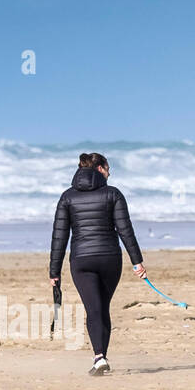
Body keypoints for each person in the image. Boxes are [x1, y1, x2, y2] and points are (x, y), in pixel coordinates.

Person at [49, 152, 145, 375]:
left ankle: (99, 357)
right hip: (110, 259)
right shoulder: (113, 194)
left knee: (94, 309)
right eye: (108, 168)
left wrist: (54, 271)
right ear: (100, 168)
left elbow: (59, 236)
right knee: (102, 308)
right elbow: (125, 230)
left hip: (81, 260)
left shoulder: (67, 197)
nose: (110, 172)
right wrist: (137, 262)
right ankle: (101, 356)